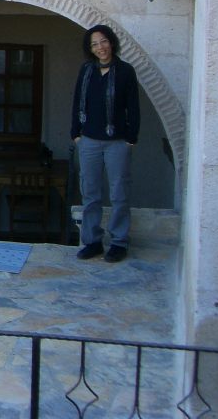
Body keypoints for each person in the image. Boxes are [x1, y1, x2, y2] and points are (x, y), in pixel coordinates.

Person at [70, 24, 140, 263]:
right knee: (90, 193)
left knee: (119, 193)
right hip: (88, 140)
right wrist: (75, 134)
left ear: (111, 42)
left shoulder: (125, 71)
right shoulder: (86, 70)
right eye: (94, 44)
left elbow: (134, 106)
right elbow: (78, 100)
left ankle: (119, 242)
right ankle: (93, 241)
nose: (100, 47)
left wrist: (132, 138)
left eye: (103, 41)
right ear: (90, 49)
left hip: (117, 142)